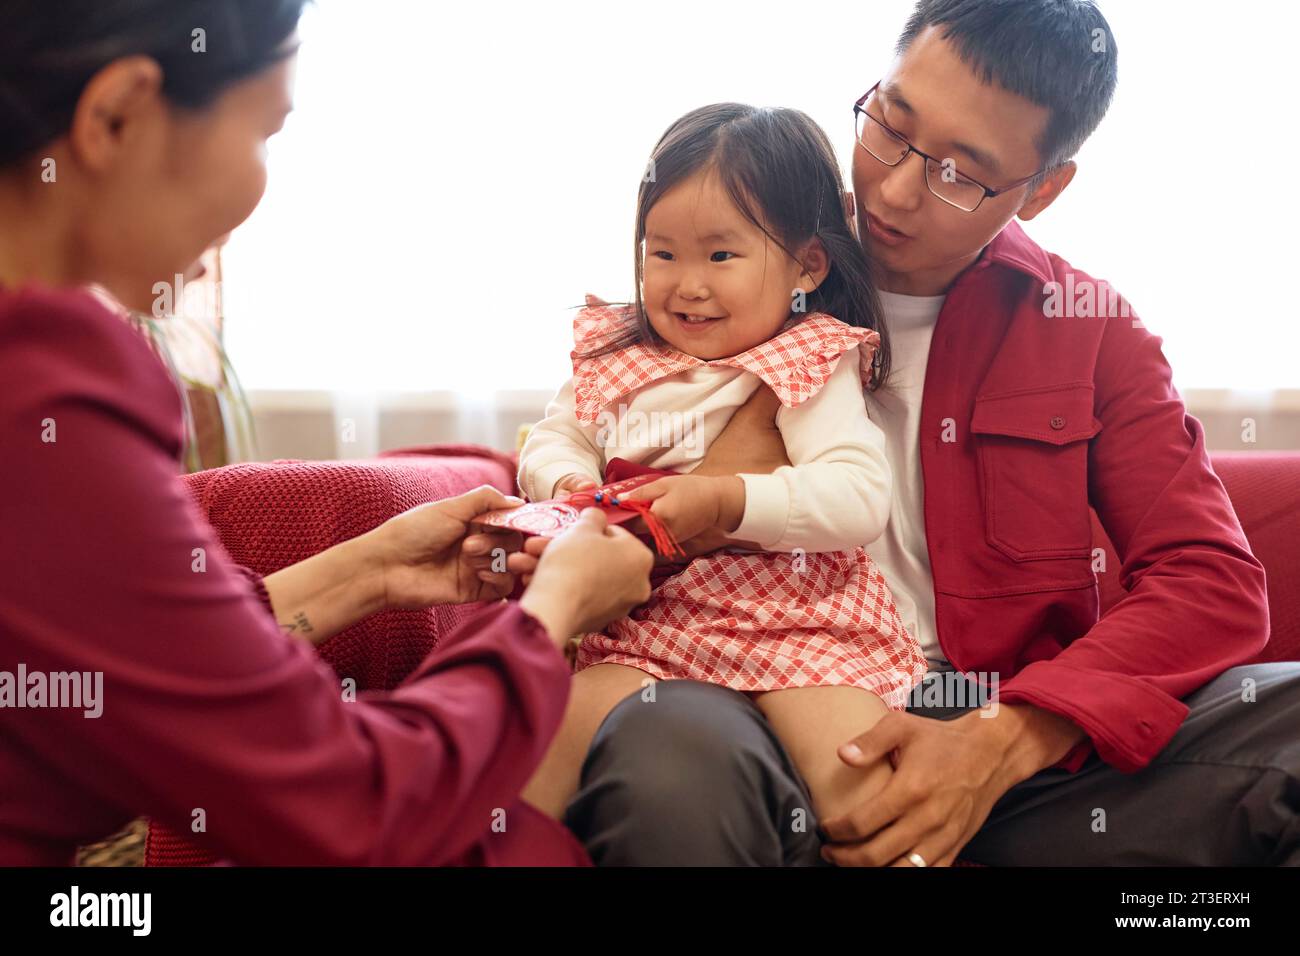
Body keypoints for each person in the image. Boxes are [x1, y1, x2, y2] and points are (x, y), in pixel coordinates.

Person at [554, 0, 1299, 867]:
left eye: (961, 173)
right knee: (666, 758)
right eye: (890, 127)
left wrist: (1008, 736)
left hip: (1005, 739)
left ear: (1044, 187)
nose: (895, 189)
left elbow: (1208, 581)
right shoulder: (734, 259)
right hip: (745, 701)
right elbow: (589, 462)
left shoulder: (1088, 327)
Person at [0, 0, 653, 866]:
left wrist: (371, 569)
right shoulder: (48, 403)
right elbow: (349, 805)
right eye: (265, 131)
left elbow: (142, 662)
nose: (259, 186)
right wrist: (549, 613)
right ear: (117, 114)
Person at [513, 103, 930, 822]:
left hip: (797, 619)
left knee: (868, 792)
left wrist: (727, 502)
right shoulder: (619, 351)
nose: (688, 284)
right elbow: (554, 440)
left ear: (807, 265)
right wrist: (572, 488)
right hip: (644, 617)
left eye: (721, 255)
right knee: (540, 770)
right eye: (663, 251)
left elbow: (859, 493)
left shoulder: (806, 358)